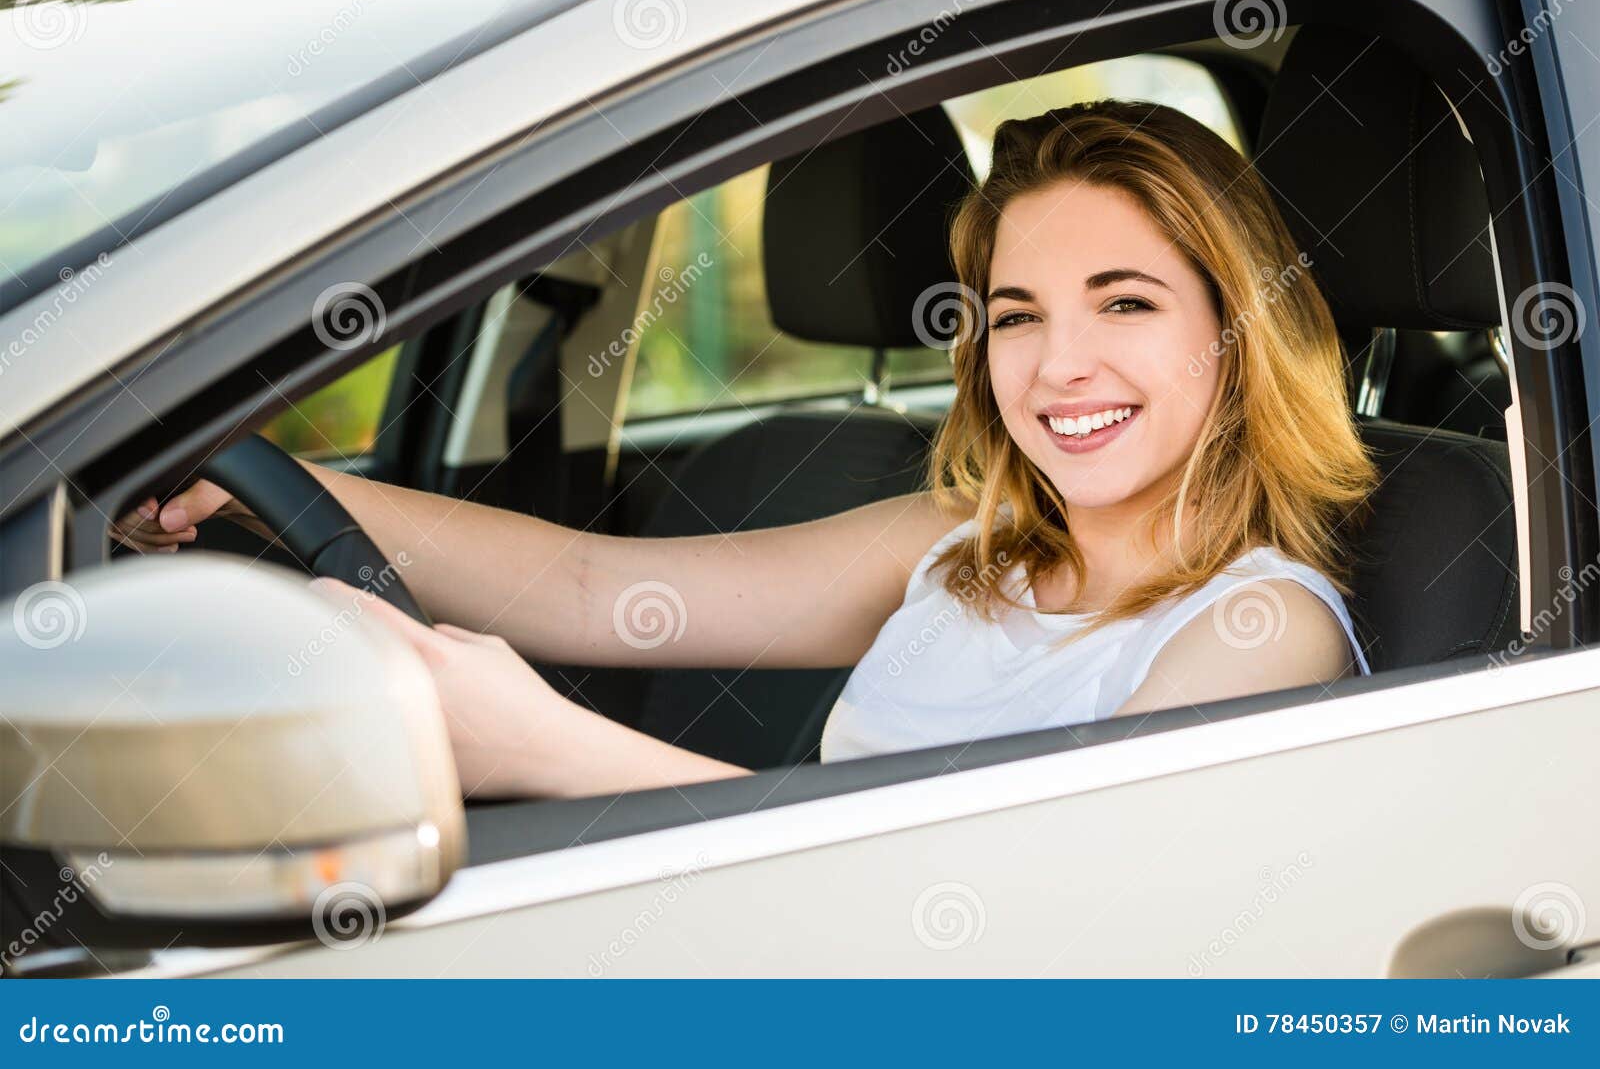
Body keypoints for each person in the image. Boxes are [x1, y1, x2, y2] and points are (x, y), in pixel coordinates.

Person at [111, 99, 1377, 800]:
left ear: (1241, 327)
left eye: (1126, 303)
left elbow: (1006, 928)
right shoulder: (959, 549)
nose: (1058, 366)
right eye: (1014, 315)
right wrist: (265, 481)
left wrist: (545, 749)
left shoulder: (1259, 630)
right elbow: (594, 594)